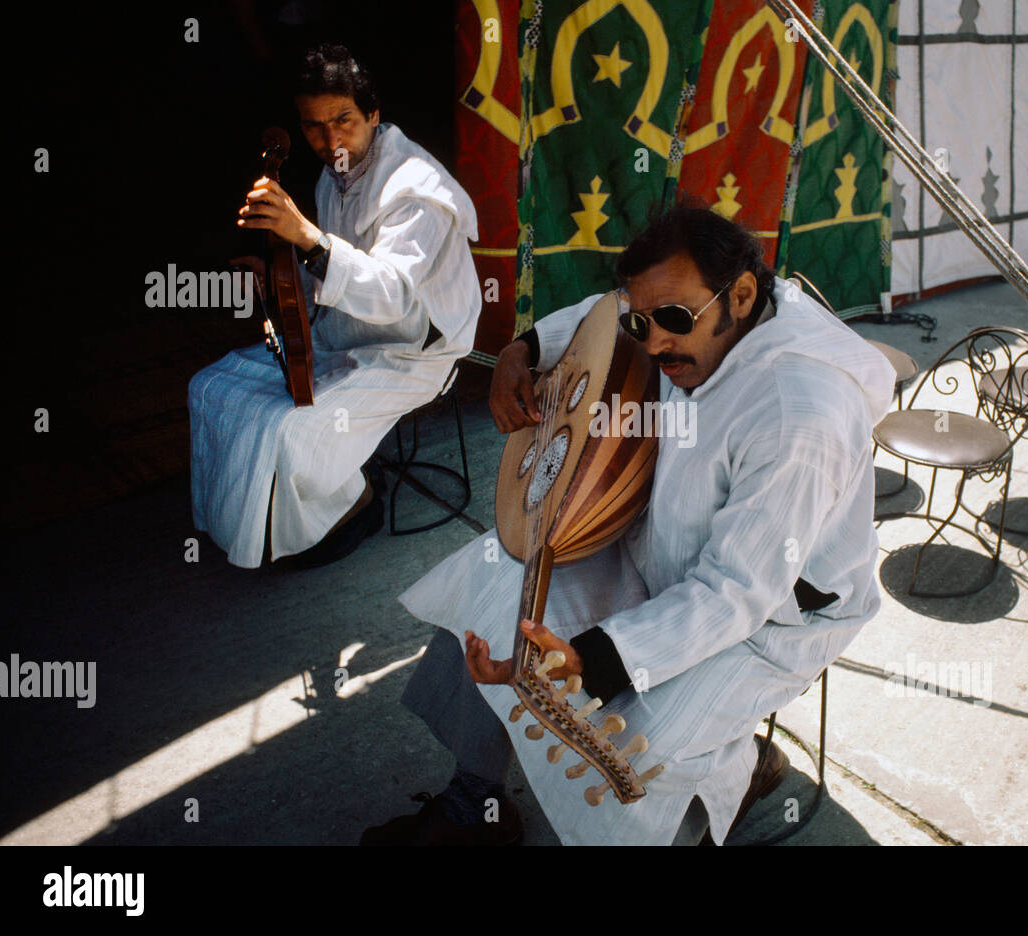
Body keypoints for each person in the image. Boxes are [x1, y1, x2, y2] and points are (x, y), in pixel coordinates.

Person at [369, 203, 896, 845]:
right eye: (643, 321)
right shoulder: (695, 313)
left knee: (626, 745)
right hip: (658, 544)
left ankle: (728, 782)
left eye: (673, 322)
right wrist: (524, 348)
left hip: (771, 619)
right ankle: (470, 802)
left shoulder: (798, 413)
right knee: (491, 583)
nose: (652, 343)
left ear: (744, 295)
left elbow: (737, 588)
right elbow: (608, 311)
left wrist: (597, 657)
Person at [188, 43, 481, 568]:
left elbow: (391, 294)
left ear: (373, 113)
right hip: (345, 334)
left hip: (413, 352)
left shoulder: (417, 187)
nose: (329, 140)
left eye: (343, 120)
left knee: (288, 428)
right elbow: (328, 276)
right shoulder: (335, 174)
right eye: (313, 126)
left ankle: (355, 504)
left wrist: (306, 238)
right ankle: (269, 527)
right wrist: (280, 278)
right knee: (213, 387)